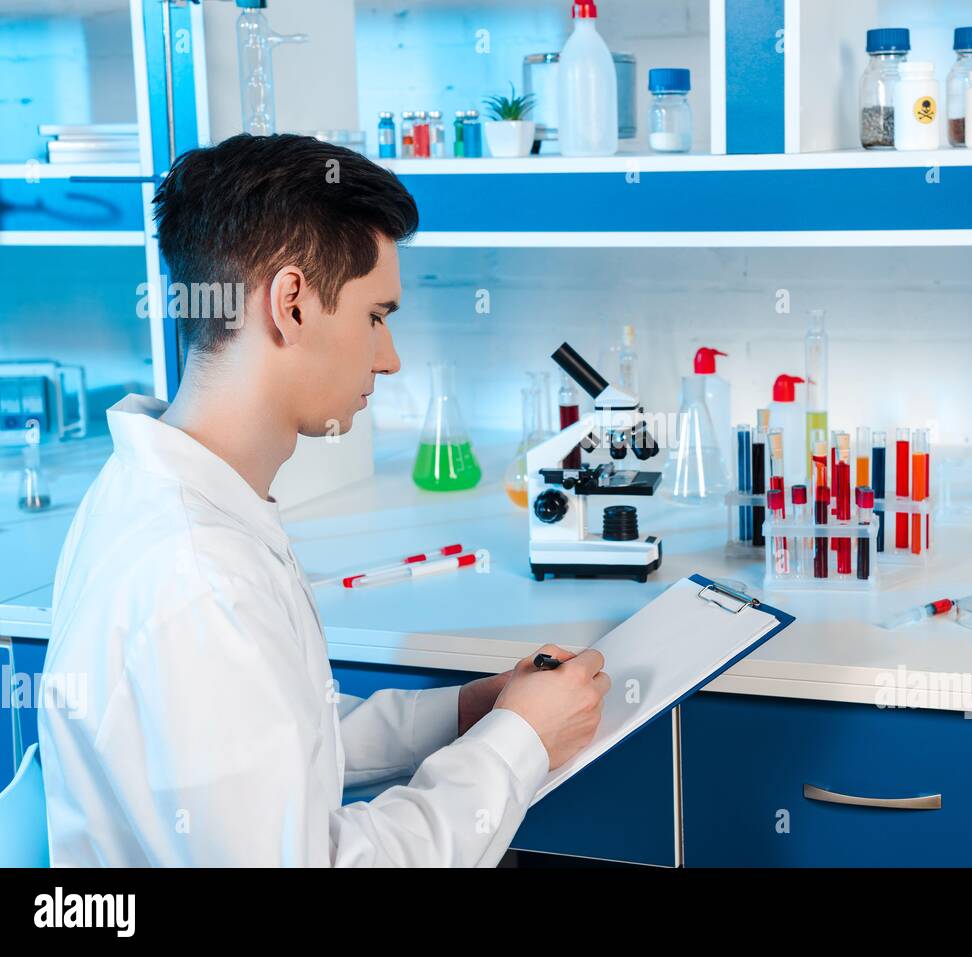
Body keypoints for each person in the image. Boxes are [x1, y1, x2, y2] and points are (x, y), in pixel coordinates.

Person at [38, 133, 608, 866]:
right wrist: (518, 744)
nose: (390, 355)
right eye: (376, 315)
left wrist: (472, 710)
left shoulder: (170, 492)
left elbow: (275, 737)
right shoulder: (197, 576)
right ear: (293, 304)